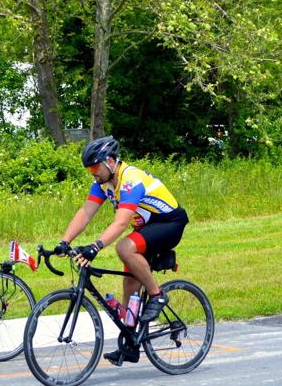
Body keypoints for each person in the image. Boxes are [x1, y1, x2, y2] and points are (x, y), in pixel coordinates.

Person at [56, 135, 189, 365]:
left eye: (95, 167)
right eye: (89, 170)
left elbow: (120, 223)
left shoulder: (130, 181)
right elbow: (86, 212)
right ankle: (130, 344)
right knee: (129, 282)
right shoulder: (104, 183)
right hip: (147, 227)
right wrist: (64, 241)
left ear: (109, 161)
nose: (93, 173)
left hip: (169, 224)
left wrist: (95, 246)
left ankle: (157, 296)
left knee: (124, 247)